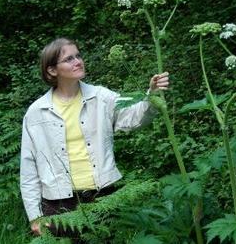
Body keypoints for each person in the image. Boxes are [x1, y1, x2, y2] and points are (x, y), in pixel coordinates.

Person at [20, 37, 169, 238]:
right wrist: (34, 215)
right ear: (52, 70)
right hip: (59, 205)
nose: (78, 61)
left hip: (104, 196)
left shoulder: (101, 96)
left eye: (78, 56)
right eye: (69, 59)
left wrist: (151, 94)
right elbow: (28, 167)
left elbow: (133, 116)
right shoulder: (36, 112)